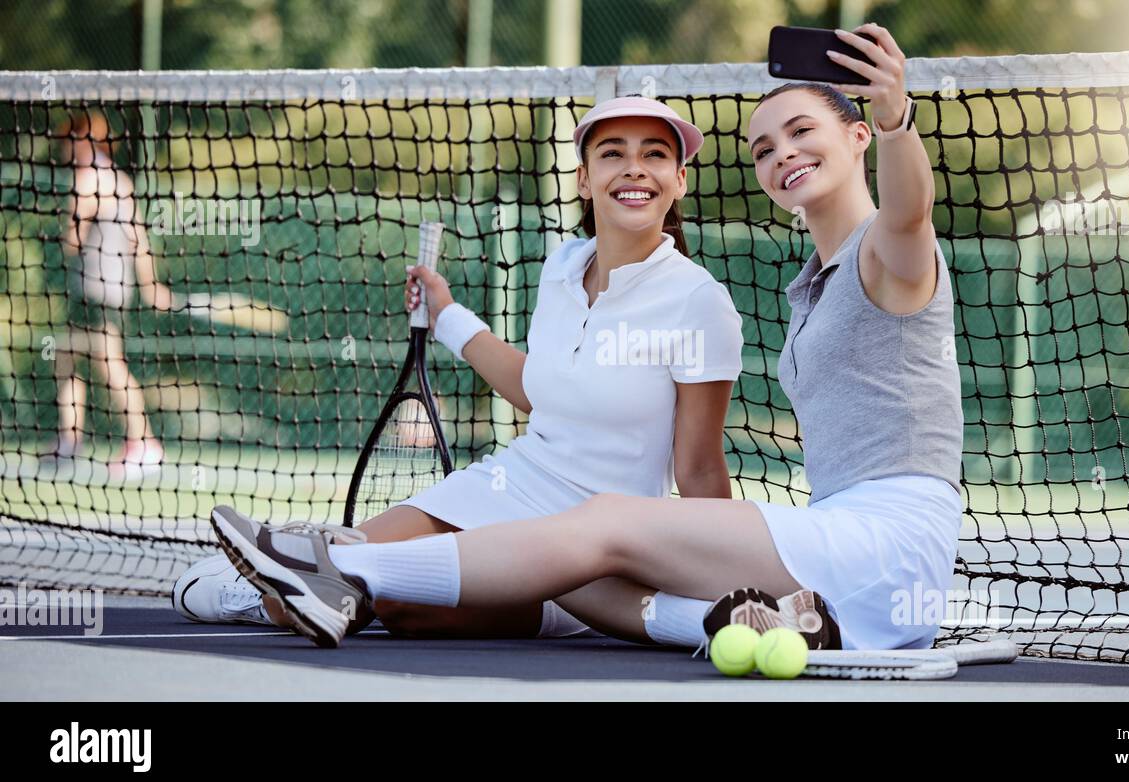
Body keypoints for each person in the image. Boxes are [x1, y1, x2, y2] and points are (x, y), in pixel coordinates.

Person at [210, 22, 962, 653]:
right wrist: (448, 317)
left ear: (858, 135)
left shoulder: (883, 253)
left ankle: (345, 569)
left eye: (802, 132)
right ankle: (763, 625)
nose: (781, 155)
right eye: (764, 148)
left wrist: (899, 119)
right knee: (591, 567)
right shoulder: (813, 285)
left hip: (889, 545)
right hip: (837, 539)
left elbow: (908, 213)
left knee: (602, 525)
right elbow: (539, 385)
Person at [177, 96, 747, 642]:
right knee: (346, 567)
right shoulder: (562, 266)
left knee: (397, 602)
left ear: (679, 181)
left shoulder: (699, 301)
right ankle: (273, 590)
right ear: (583, 178)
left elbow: (697, 468)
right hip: (509, 484)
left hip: (595, 541)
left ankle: (271, 590)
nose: (634, 169)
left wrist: (730, 577)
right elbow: (538, 390)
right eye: (612, 153)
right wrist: (446, 314)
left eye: (654, 154)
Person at [43, 110, 174, 480]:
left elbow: (72, 240)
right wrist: (151, 287)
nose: (66, 145)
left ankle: (143, 442)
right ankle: (70, 440)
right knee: (66, 359)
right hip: (112, 290)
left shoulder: (87, 179)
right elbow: (140, 241)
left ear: (85, 140)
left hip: (96, 290)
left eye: (71, 138)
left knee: (110, 367)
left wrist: (70, 223)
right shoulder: (121, 180)